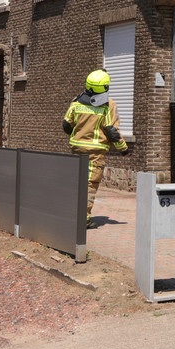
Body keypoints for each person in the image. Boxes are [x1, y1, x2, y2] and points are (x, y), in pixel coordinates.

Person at [62, 69, 128, 229]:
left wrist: (80, 135)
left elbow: (66, 125)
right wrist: (124, 149)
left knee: (77, 182)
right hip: (95, 152)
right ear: (105, 87)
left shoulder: (76, 102)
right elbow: (112, 131)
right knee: (89, 184)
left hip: (77, 149)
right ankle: (83, 220)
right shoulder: (108, 105)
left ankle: (70, 214)